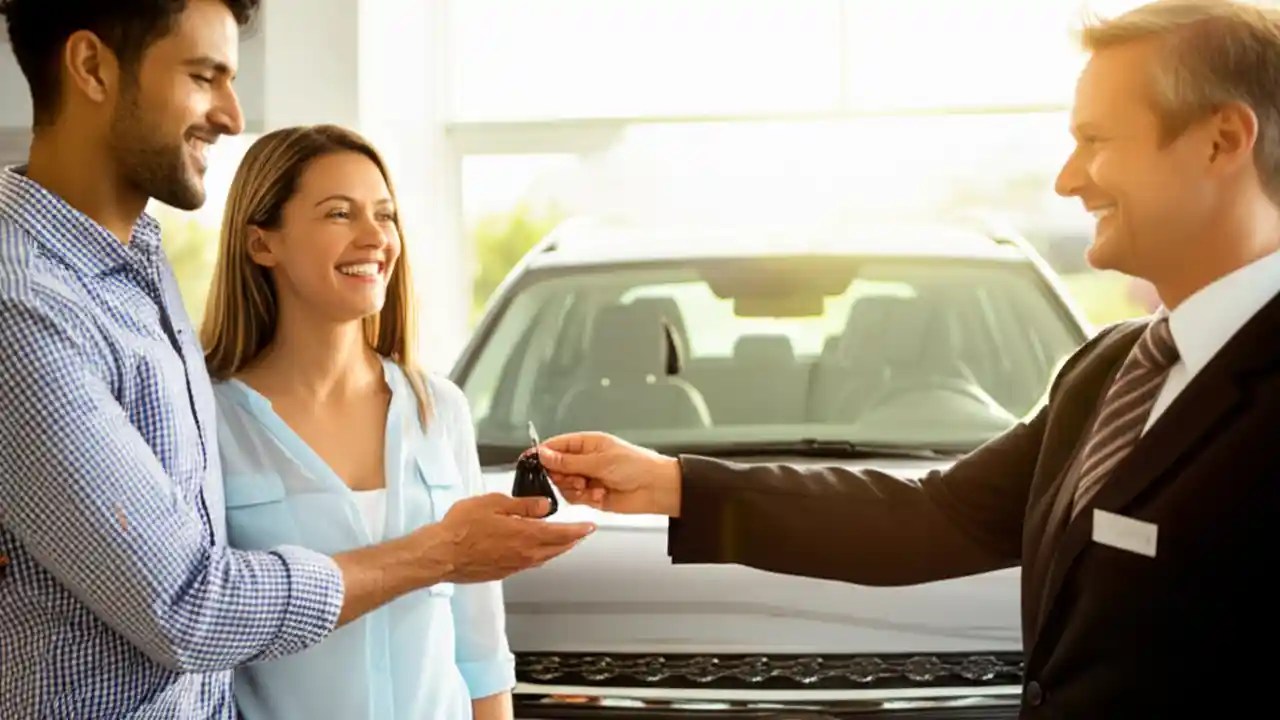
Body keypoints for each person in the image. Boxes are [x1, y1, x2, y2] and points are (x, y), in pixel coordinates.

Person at [534, 1, 1280, 717]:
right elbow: (934, 517)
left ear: (1221, 141)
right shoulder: (1113, 369)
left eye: (1097, 141)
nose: (1067, 178)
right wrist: (672, 484)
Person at [0, 2, 593, 718]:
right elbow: (189, 606)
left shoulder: (137, 273)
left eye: (385, 213)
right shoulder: (25, 304)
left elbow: (476, 650)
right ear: (92, 66)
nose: (230, 114)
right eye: (203, 76)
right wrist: (439, 552)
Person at [199, 124, 518, 720]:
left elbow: (480, 650)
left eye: (386, 215)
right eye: (339, 214)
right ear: (262, 243)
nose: (376, 237)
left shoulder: (438, 410)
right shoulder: (208, 419)